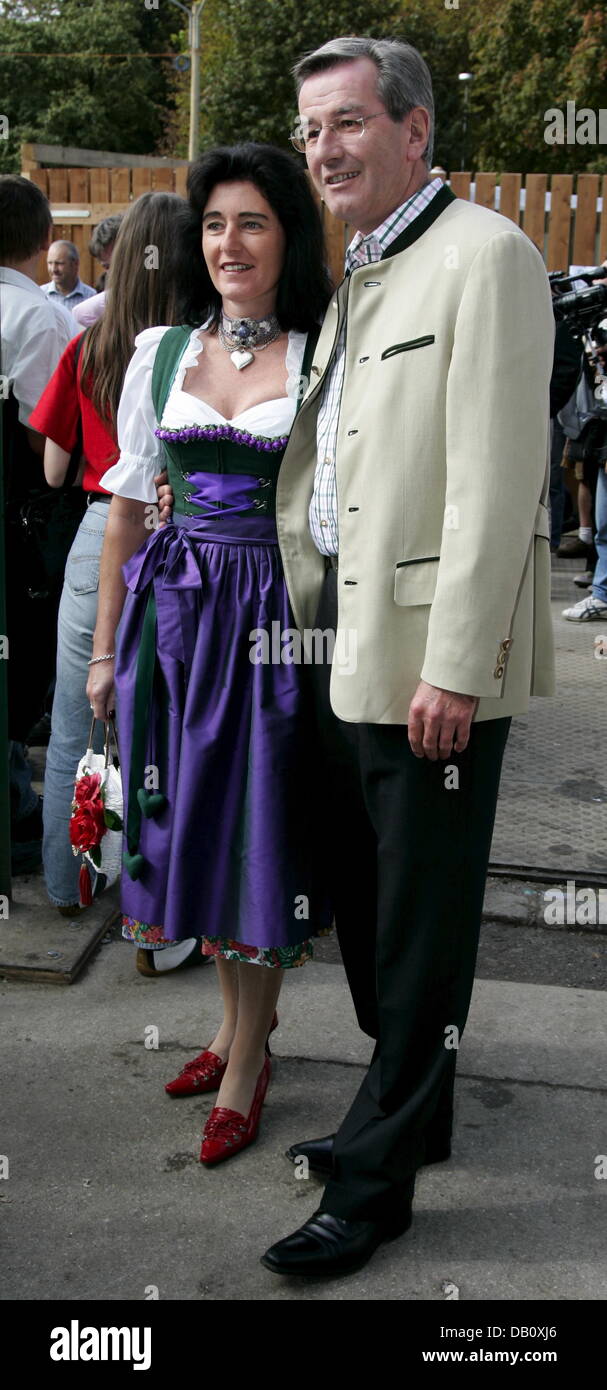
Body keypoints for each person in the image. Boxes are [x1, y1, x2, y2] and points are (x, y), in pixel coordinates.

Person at [254, 36, 555, 1278]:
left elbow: (496, 483)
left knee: (422, 930)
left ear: (415, 132)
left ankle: (375, 1190)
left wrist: (457, 665)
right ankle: (407, 1108)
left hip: (427, 668)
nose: (322, 148)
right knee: (367, 912)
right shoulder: (365, 267)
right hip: (335, 652)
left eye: (348, 124)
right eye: (311, 129)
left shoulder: (486, 255)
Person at [87, 144, 333, 1162]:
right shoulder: (159, 351)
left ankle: (247, 1060)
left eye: (254, 223)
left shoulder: (323, 357)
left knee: (255, 824)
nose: (230, 243)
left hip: (273, 623)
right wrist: (103, 653)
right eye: (216, 225)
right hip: (176, 621)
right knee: (192, 816)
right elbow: (126, 512)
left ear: (288, 238)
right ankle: (239, 1025)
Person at [29, 193, 208, 956]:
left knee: (78, 719)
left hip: (102, 531)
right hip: (189, 537)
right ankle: (158, 925)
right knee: (168, 732)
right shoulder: (201, 350)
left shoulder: (89, 346)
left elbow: (53, 466)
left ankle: (67, 884)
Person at [0, 175, 76, 873]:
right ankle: (19, 820)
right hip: (17, 527)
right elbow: (42, 439)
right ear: (42, 236)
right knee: (19, 674)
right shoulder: (39, 318)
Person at [43, 240, 95, 312]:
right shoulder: (41, 295)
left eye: (59, 263)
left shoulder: (90, 297)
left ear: (75, 264)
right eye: (50, 263)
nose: (53, 269)